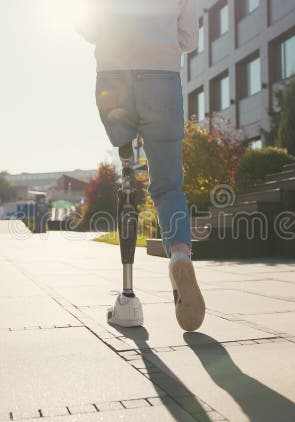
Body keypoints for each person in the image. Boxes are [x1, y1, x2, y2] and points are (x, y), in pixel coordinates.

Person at [76, 0, 205, 331]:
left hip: (113, 77)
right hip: (161, 78)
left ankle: (127, 166)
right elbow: (189, 39)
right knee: (167, 185)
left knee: (127, 171)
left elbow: (86, 25)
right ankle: (178, 254)